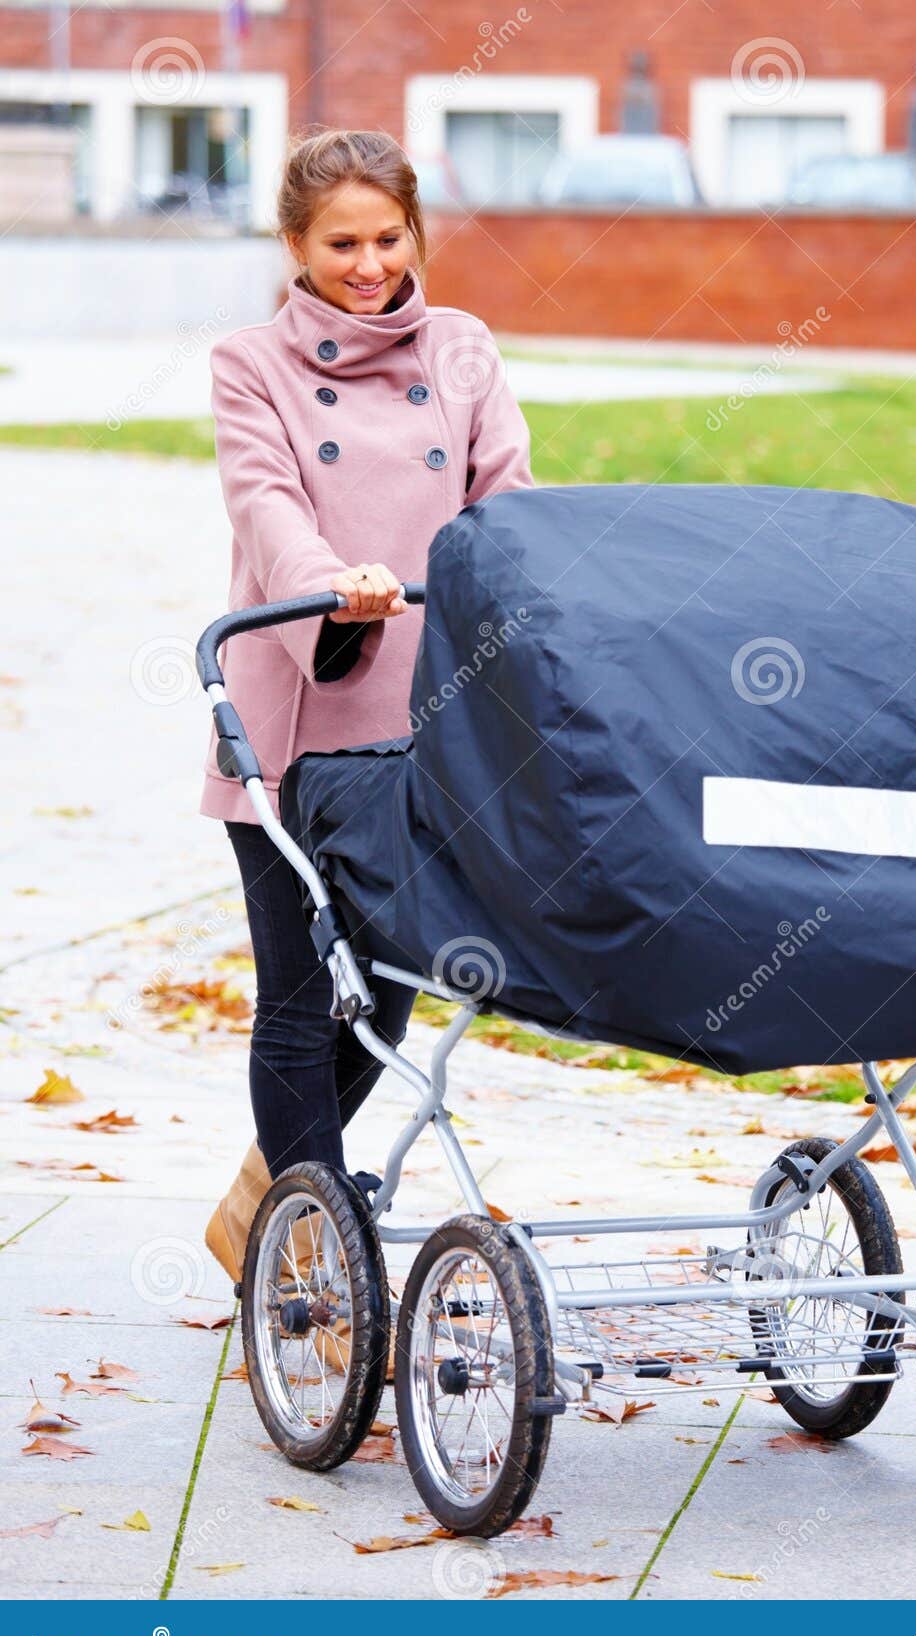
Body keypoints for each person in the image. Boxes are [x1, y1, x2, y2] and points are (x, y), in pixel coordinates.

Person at [200, 127, 533, 1283]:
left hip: (425, 713)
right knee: (299, 999)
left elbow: (507, 500)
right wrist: (330, 588)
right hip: (298, 703)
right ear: (295, 244)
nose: (368, 262)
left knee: (385, 1001)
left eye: (388, 237)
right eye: (341, 242)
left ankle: (267, 1196)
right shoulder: (250, 363)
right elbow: (266, 500)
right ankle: (312, 1264)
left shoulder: (461, 348)